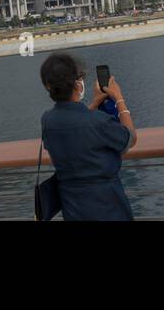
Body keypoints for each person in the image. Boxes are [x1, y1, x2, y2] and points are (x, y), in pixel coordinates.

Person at [38, 52, 138, 220]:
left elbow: (75, 126)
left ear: (49, 86)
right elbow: (130, 139)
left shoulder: (47, 121)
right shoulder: (98, 122)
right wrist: (119, 98)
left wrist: (94, 104)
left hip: (73, 208)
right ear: (78, 84)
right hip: (109, 207)